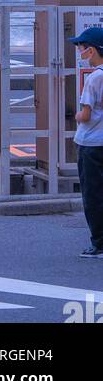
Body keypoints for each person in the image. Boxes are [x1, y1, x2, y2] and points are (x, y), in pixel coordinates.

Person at [69, 25, 103, 258]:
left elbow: (86, 114)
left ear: (91, 51)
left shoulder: (94, 79)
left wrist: (77, 116)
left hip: (91, 144)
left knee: (93, 195)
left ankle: (99, 243)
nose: (80, 51)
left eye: (82, 47)